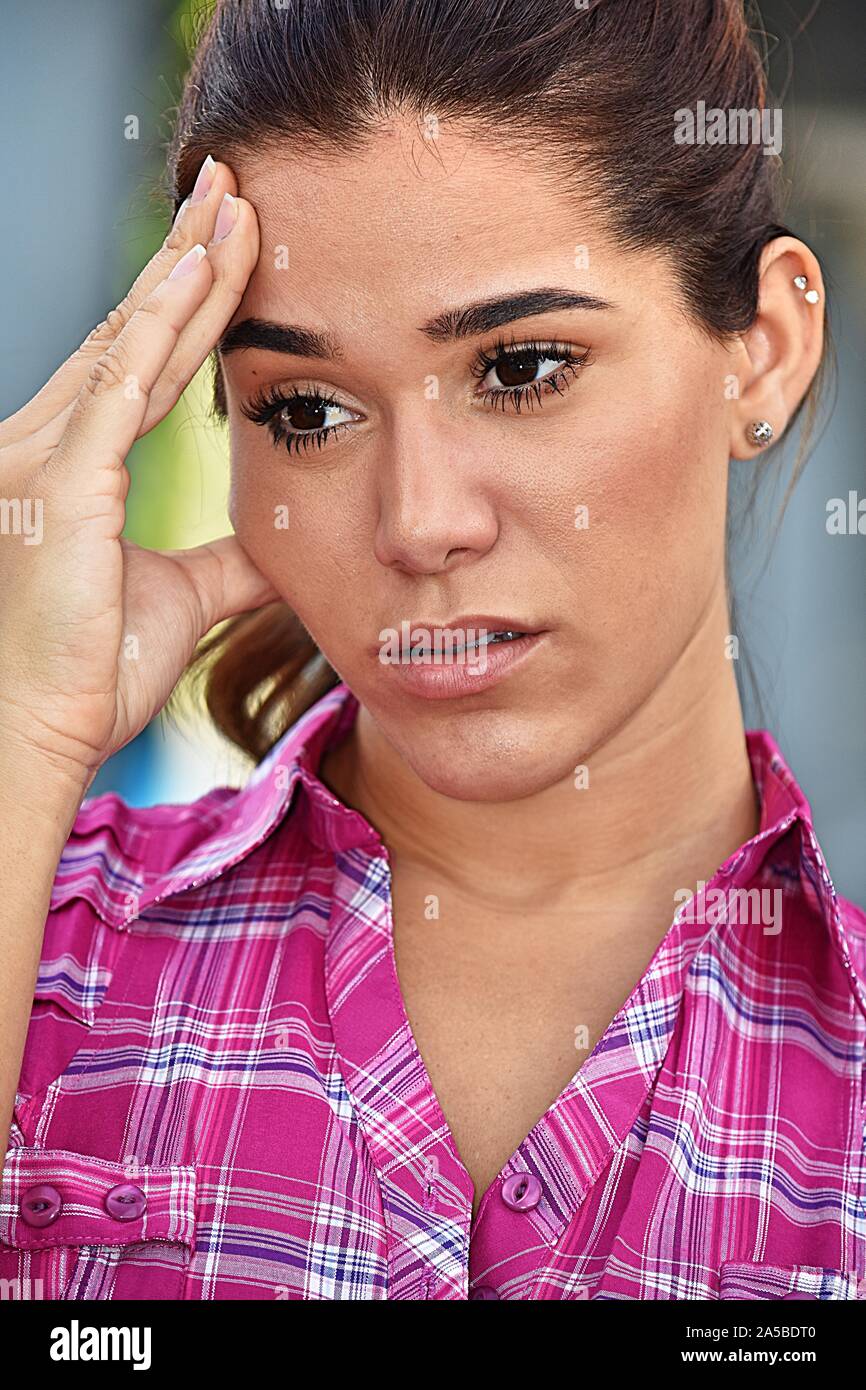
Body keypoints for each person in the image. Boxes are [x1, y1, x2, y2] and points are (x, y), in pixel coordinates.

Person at [1, 0, 863, 1301]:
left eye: (520, 369)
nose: (416, 522)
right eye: (307, 409)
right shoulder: (48, 951)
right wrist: (16, 725)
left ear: (764, 350)